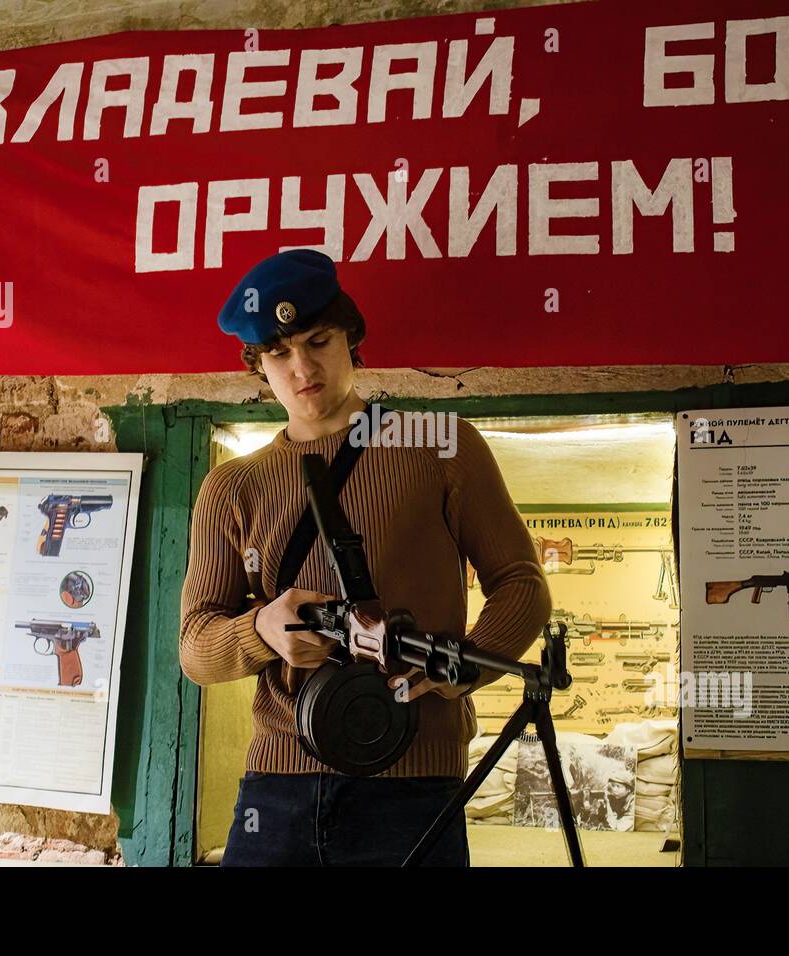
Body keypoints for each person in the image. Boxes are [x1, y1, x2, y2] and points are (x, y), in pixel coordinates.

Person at [179, 248, 551, 866]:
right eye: (279, 353)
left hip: (413, 778)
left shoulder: (442, 448)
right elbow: (195, 647)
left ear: (350, 336)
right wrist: (261, 630)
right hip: (278, 786)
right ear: (257, 365)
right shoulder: (231, 487)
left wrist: (462, 671)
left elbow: (521, 584)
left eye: (318, 340)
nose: (302, 367)